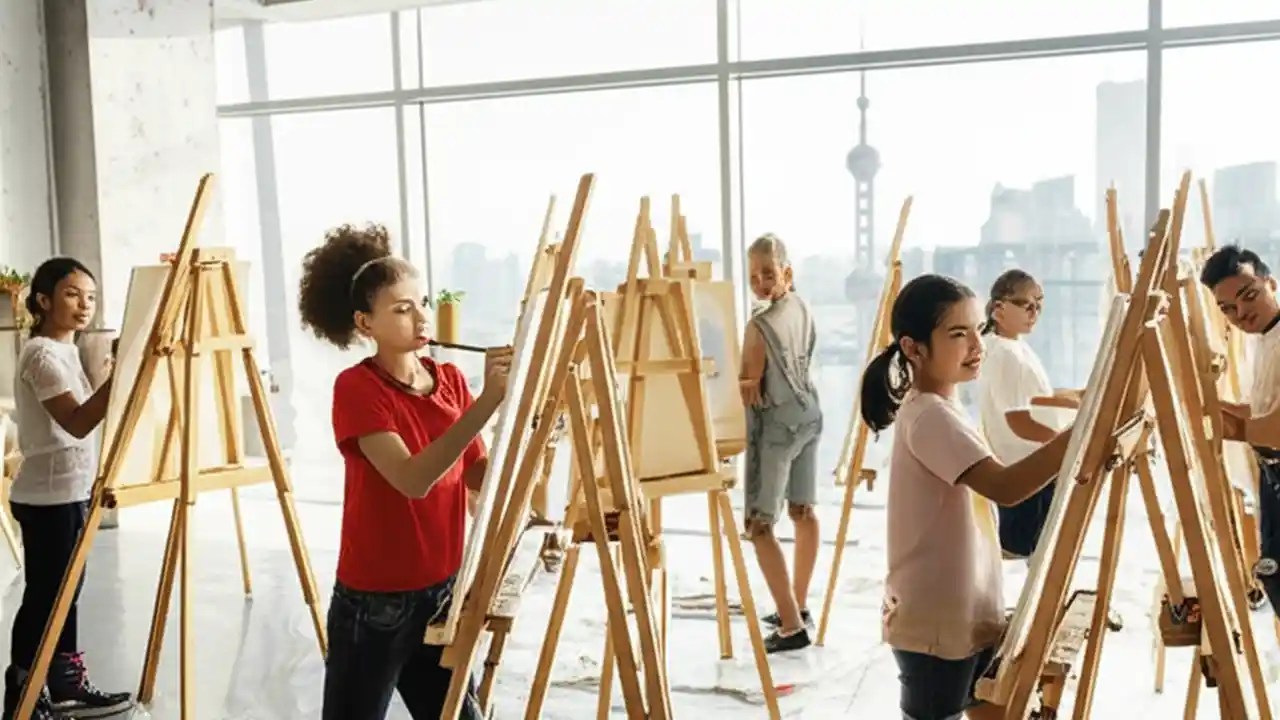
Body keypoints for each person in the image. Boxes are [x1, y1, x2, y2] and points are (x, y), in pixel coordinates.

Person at [297, 223, 513, 720]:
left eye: (421, 303)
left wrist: (530, 431)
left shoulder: (451, 379)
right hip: (376, 604)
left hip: (442, 590)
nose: (420, 318)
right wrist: (486, 407)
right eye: (401, 309)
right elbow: (413, 480)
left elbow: (475, 475)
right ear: (364, 323)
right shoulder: (357, 389)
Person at [860, 273, 1072, 720]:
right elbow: (1006, 486)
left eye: (978, 330)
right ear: (913, 347)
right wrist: (1079, 436)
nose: (977, 345)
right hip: (936, 620)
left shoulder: (945, 408)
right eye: (958, 334)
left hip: (966, 612)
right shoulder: (929, 417)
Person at [5, 258, 134, 720]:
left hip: (71, 491)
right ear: (43, 300)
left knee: (67, 595)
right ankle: (23, 691)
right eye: (72, 294)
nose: (85, 305)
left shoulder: (66, 351)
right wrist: (122, 373)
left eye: (91, 297)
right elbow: (77, 423)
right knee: (46, 597)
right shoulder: (41, 354)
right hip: (47, 498)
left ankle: (62, 684)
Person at [738, 233, 821, 654]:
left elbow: (748, 388)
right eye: (754, 277)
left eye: (768, 273)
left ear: (787, 272)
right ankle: (799, 605)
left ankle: (791, 625)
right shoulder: (801, 308)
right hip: (809, 416)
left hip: (777, 429)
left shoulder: (759, 326)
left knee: (759, 525)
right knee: (803, 511)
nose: (761, 283)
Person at [1202, 245, 1280, 616]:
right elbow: (1262, 410)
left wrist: (1217, 425)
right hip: (1271, 475)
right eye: (1227, 309)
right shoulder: (1263, 340)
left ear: (1272, 283)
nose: (1241, 312)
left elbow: (1276, 430)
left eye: (1249, 296)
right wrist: (1201, 401)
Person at [976, 270, 1074, 560]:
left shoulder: (1012, 347)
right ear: (999, 308)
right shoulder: (1005, 353)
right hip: (1030, 469)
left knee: (1039, 554)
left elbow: (1031, 398)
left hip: (1032, 467)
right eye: (1027, 305)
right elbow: (1018, 421)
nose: (1035, 313)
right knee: (1037, 555)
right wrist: (1065, 445)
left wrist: (1074, 397)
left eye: (1039, 306)